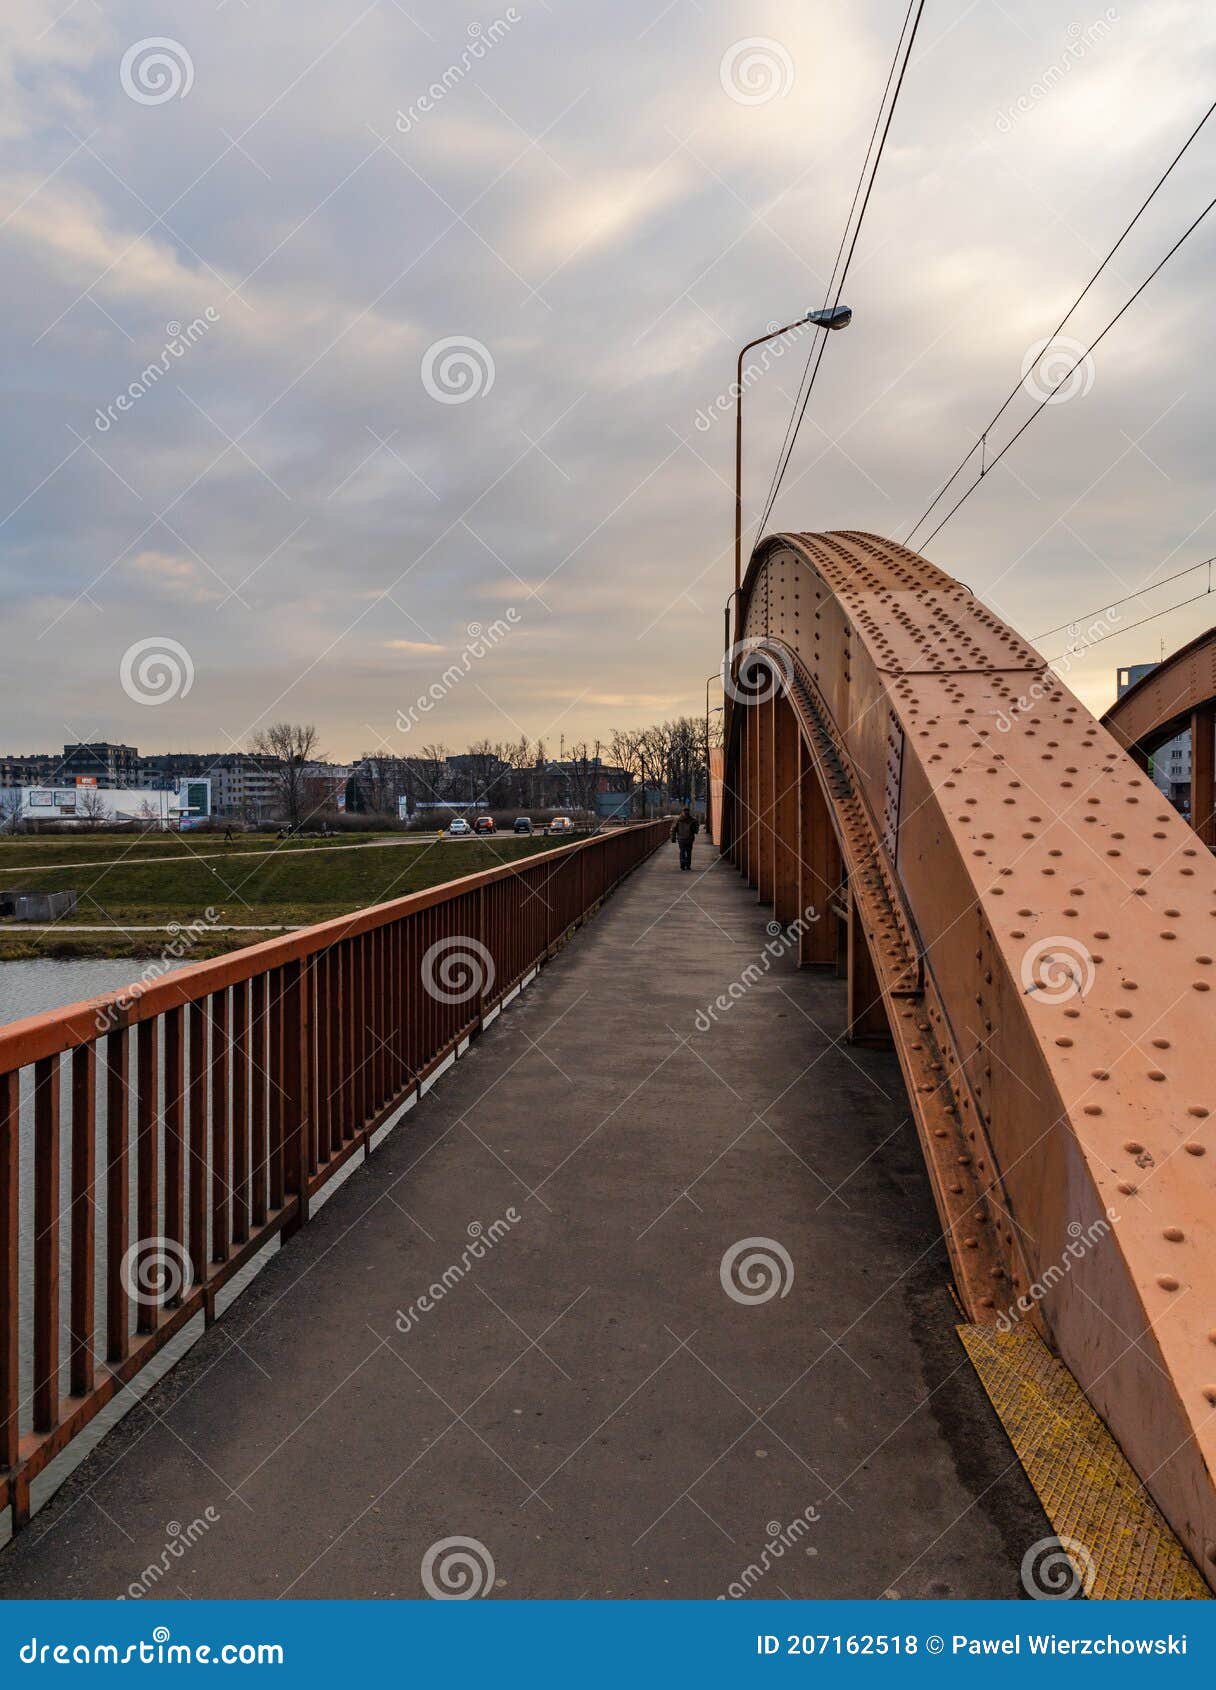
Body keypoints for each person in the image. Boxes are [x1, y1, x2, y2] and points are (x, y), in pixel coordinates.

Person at [670, 806, 699, 871]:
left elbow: (673, 829)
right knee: (689, 852)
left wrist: (673, 838)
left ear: (682, 811)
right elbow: (696, 830)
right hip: (690, 838)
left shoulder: (678, 819)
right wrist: (695, 830)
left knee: (682, 851)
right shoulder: (693, 819)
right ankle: (688, 866)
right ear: (689, 812)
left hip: (681, 838)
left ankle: (682, 865)